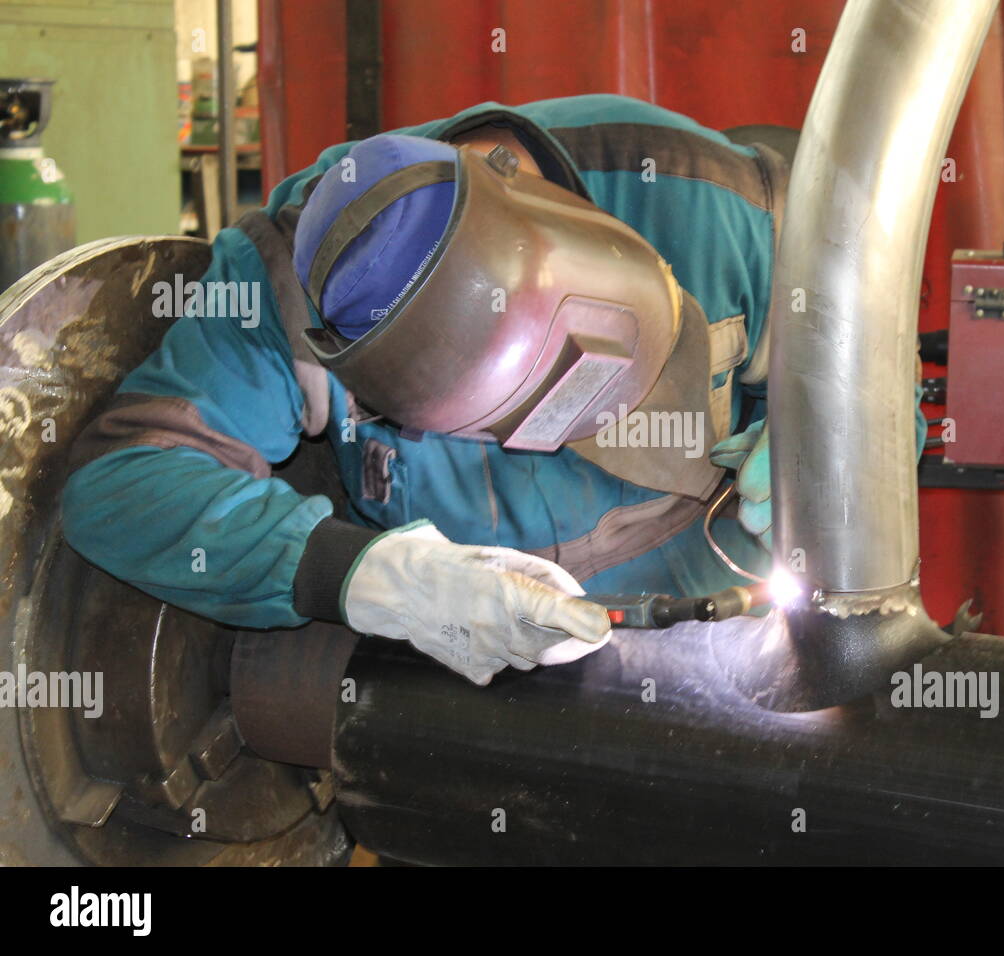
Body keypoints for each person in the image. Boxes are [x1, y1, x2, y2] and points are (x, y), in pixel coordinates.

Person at [62, 94, 921, 686]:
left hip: (732, 649)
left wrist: (837, 453)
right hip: (473, 681)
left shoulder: (710, 201)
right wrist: (374, 576)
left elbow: (894, 406)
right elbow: (121, 488)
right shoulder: (285, 290)